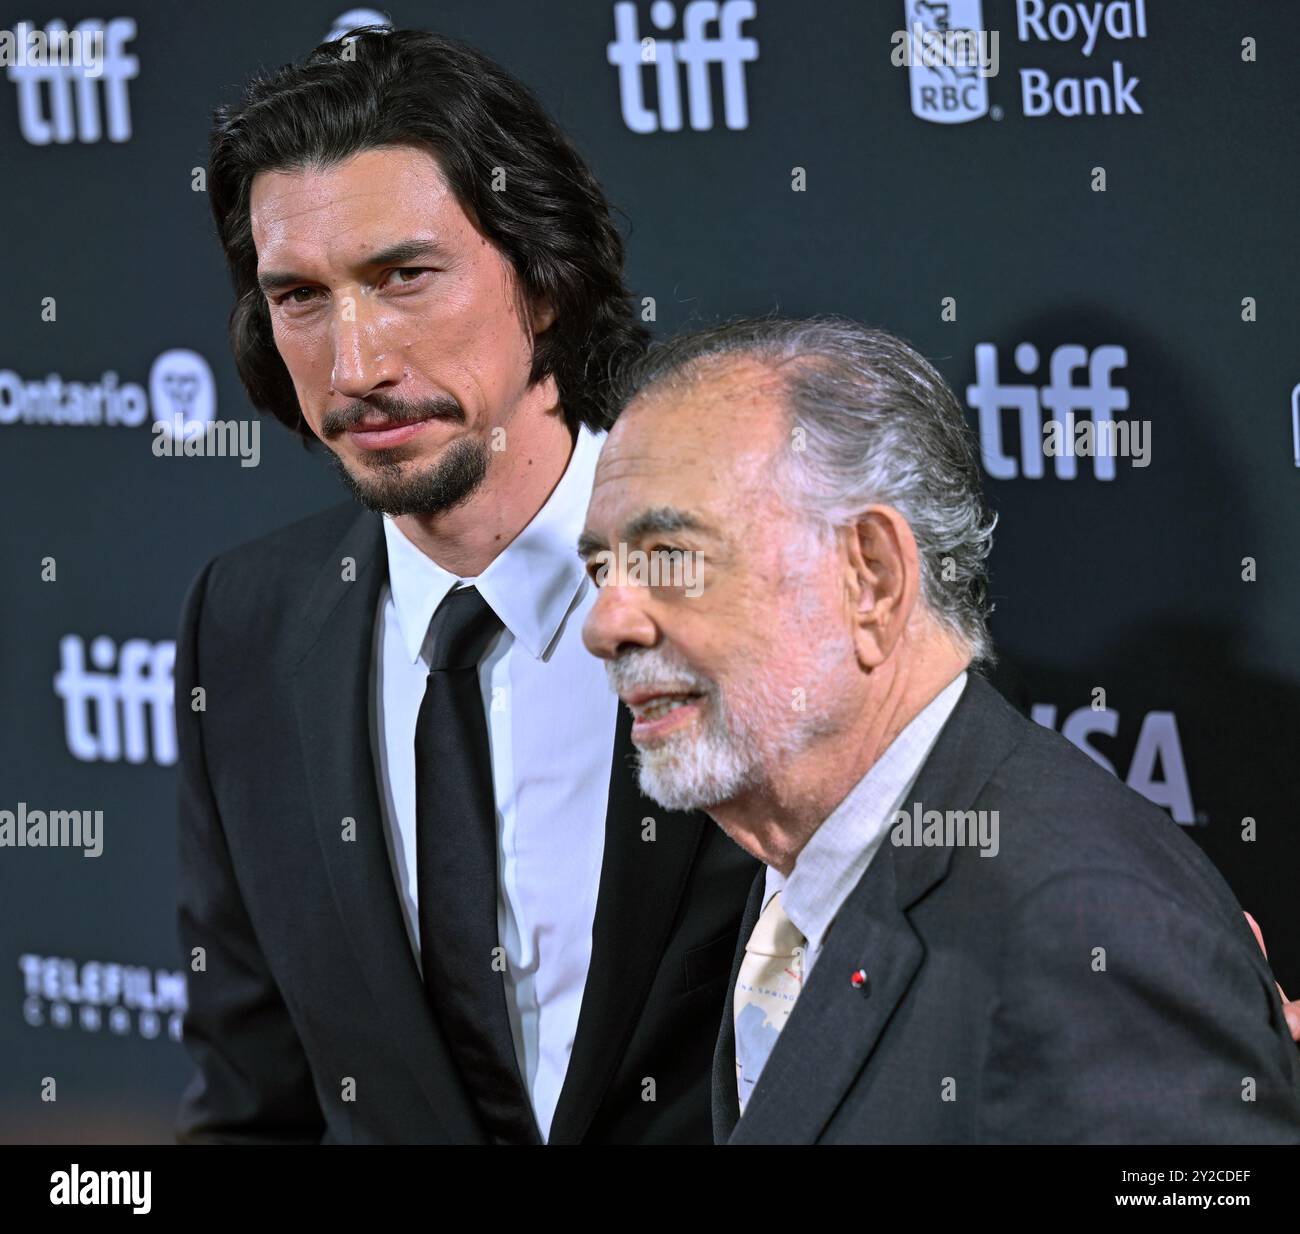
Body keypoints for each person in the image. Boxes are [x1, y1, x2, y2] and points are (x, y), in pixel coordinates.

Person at [175, 27, 757, 1145]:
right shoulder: (244, 623)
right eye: (298, 297)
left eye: (404, 277)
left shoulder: (749, 578)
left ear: (543, 278)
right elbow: (254, 1100)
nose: (357, 366)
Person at [578, 316, 1300, 1143]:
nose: (607, 623)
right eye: (601, 569)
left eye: (669, 556)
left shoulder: (1083, 930)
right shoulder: (805, 871)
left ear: (872, 577)